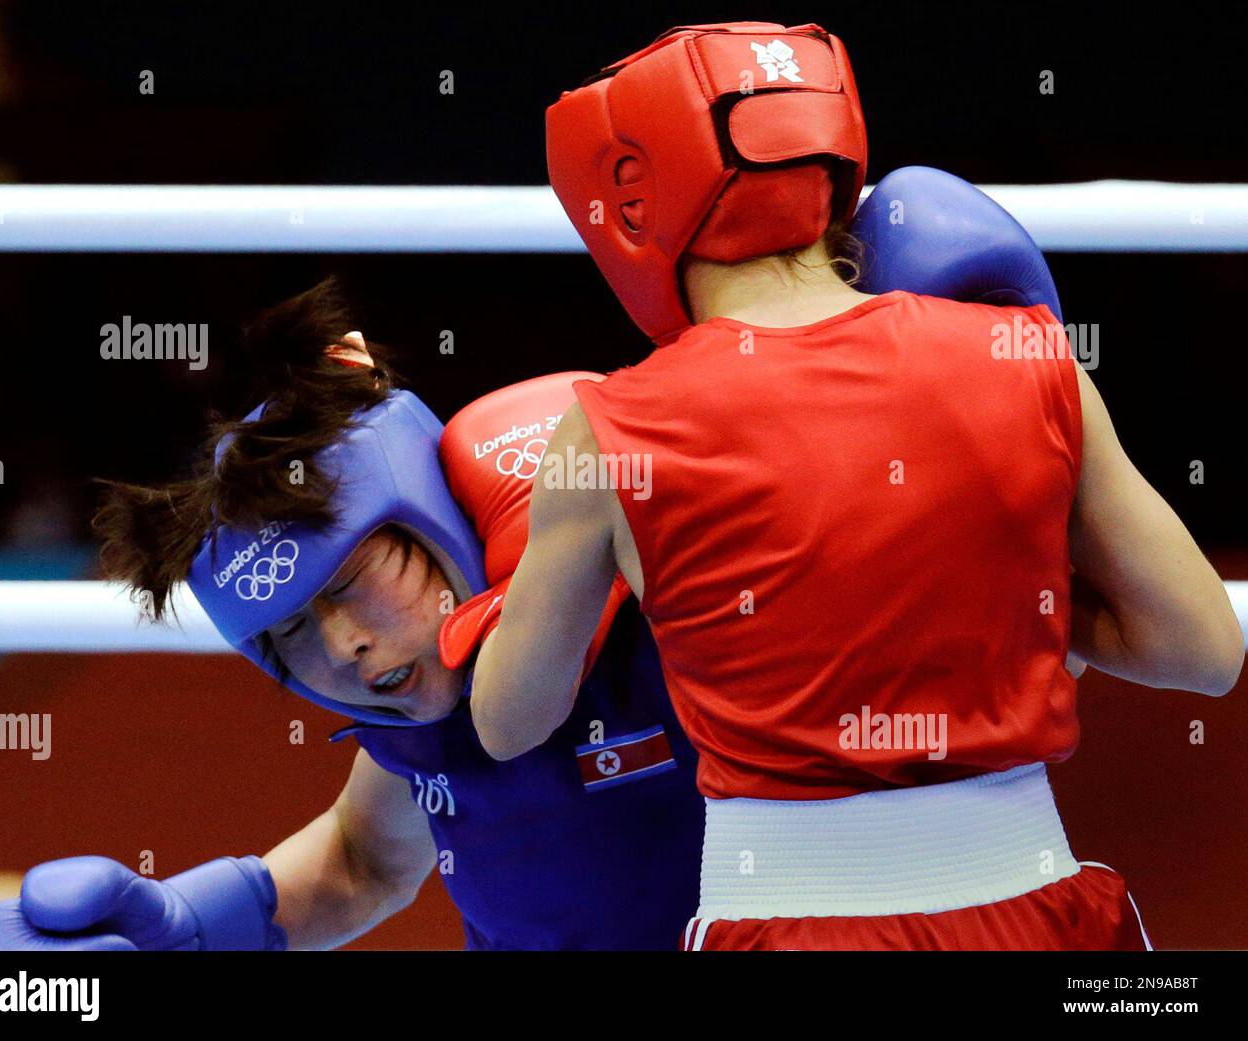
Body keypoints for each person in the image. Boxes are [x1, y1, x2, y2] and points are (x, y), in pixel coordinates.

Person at [467, 22, 1244, 950]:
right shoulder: (1028, 354)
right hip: (1049, 911)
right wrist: (999, 596)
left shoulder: (609, 433)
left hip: (785, 921)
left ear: (629, 196)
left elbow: (510, 721)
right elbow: (1205, 649)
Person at [0, 278, 704, 951]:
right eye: (290, 628)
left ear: (429, 518)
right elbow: (363, 859)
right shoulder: (419, 718)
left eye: (350, 579)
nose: (343, 642)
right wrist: (187, 930)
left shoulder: (652, 599)